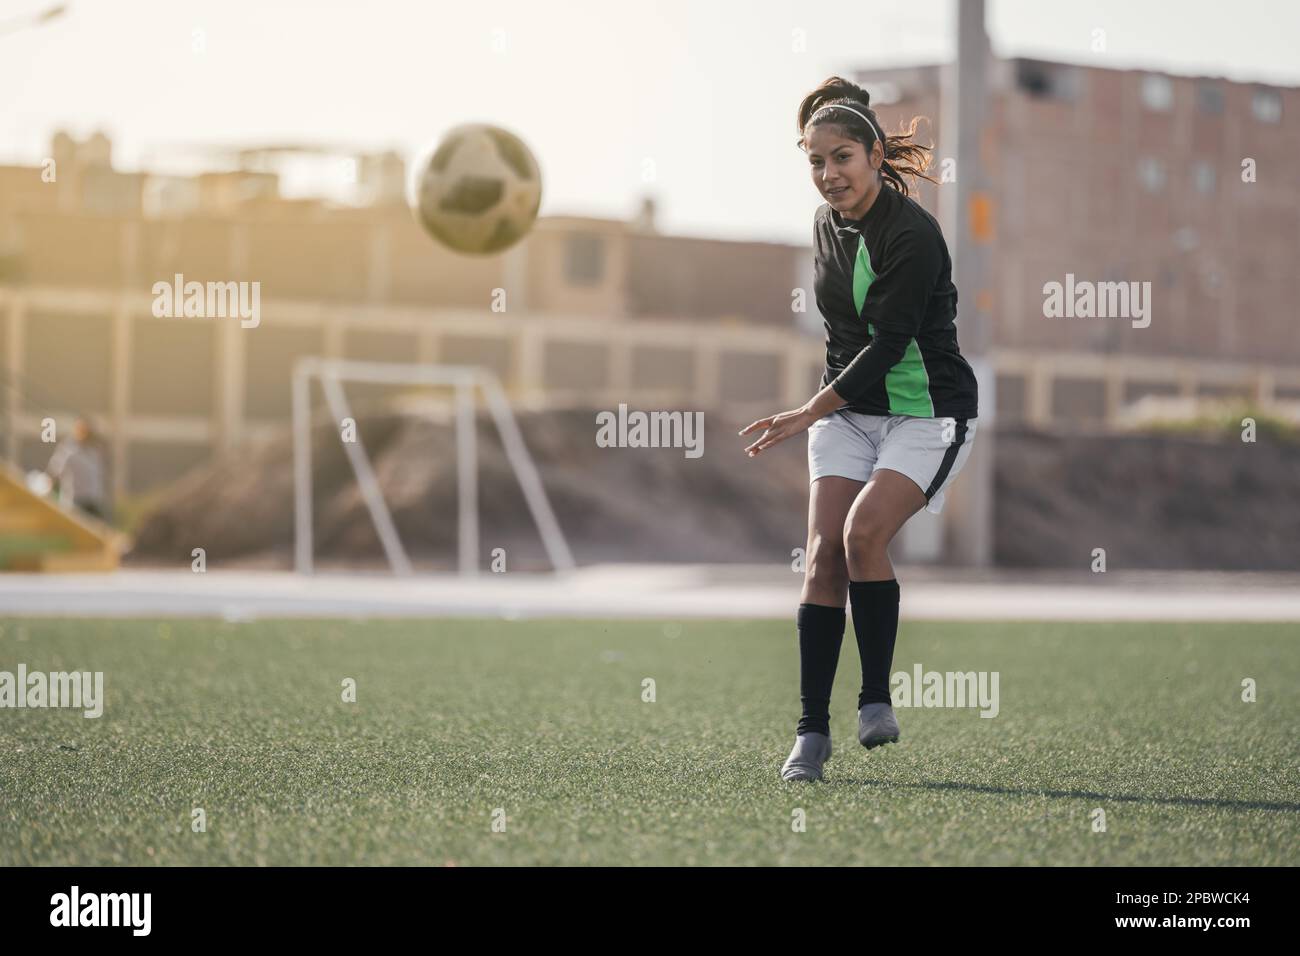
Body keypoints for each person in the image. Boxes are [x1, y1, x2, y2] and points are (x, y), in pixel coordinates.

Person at [738, 76, 980, 782]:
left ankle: (875, 697)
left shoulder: (914, 234)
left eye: (841, 158)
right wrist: (826, 406)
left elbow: (889, 341)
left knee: (862, 535)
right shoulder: (822, 224)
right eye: (815, 162)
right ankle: (811, 734)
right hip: (847, 410)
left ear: (875, 154)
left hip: (925, 413)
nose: (828, 174)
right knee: (820, 558)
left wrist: (808, 409)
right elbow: (843, 334)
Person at [45, 417, 110, 522]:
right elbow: (54, 473)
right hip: (75, 503)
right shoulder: (67, 450)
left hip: (93, 502)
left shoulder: (96, 451)